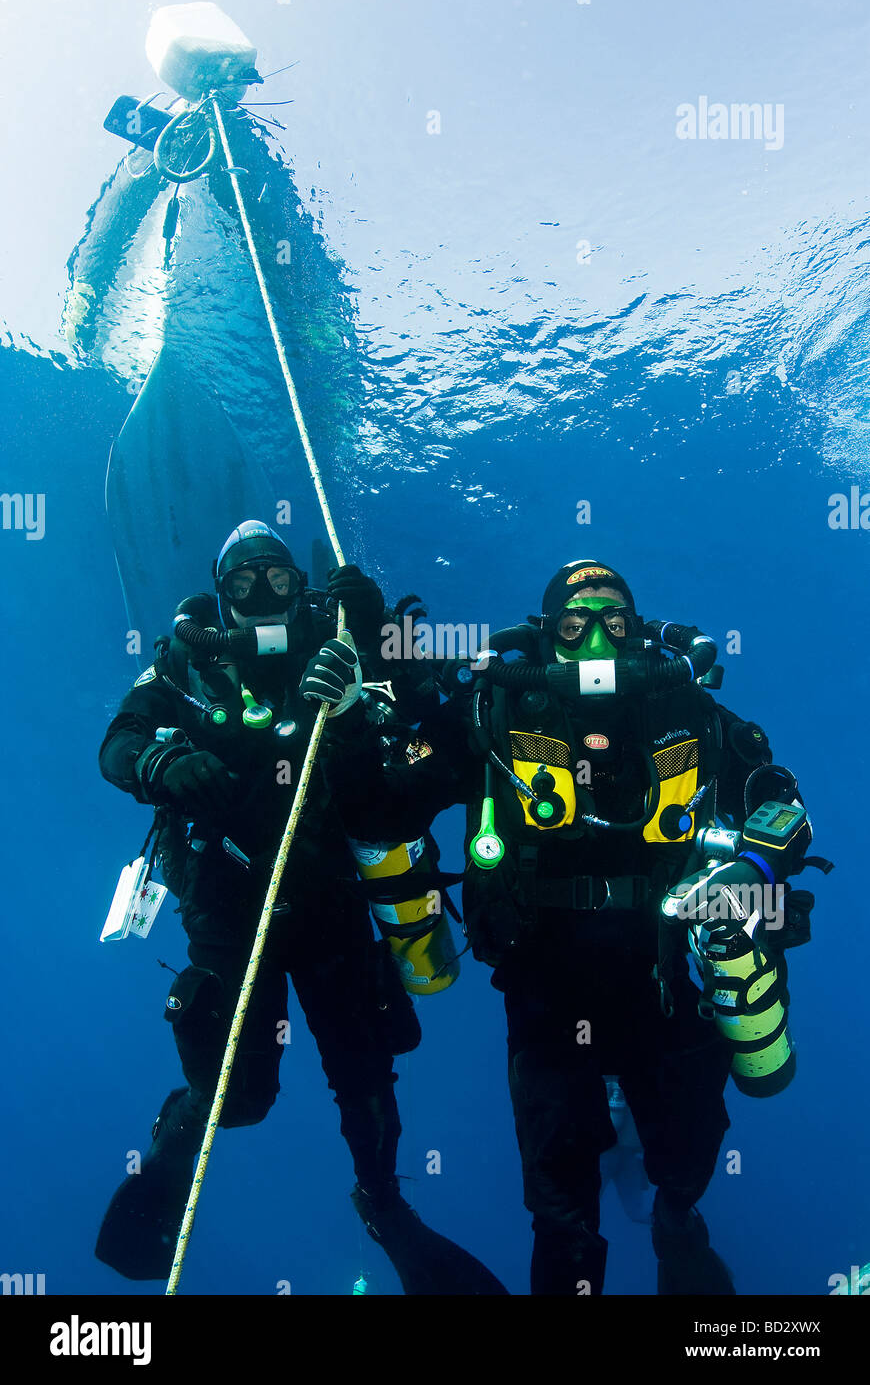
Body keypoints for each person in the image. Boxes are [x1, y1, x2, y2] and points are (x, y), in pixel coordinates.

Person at [315, 558, 823, 1295]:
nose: (594, 644)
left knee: (686, 1165)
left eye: (614, 623)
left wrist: (758, 871)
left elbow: (780, 805)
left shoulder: (686, 712)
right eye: (574, 624)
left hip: (667, 979)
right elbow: (379, 815)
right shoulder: (497, 714)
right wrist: (353, 720)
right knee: (560, 1210)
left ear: (642, 635)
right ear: (545, 634)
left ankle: (679, 1230)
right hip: (547, 990)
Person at [95, 519, 507, 1295]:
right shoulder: (189, 663)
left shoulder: (344, 639)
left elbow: (445, 705)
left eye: (278, 577)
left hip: (330, 899)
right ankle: (181, 1132)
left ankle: (384, 1203)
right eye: (243, 582)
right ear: (221, 597)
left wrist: (379, 638)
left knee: (366, 1072)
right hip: (228, 902)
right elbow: (115, 742)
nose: (262, 594)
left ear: (300, 584)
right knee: (240, 1097)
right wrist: (161, 759)